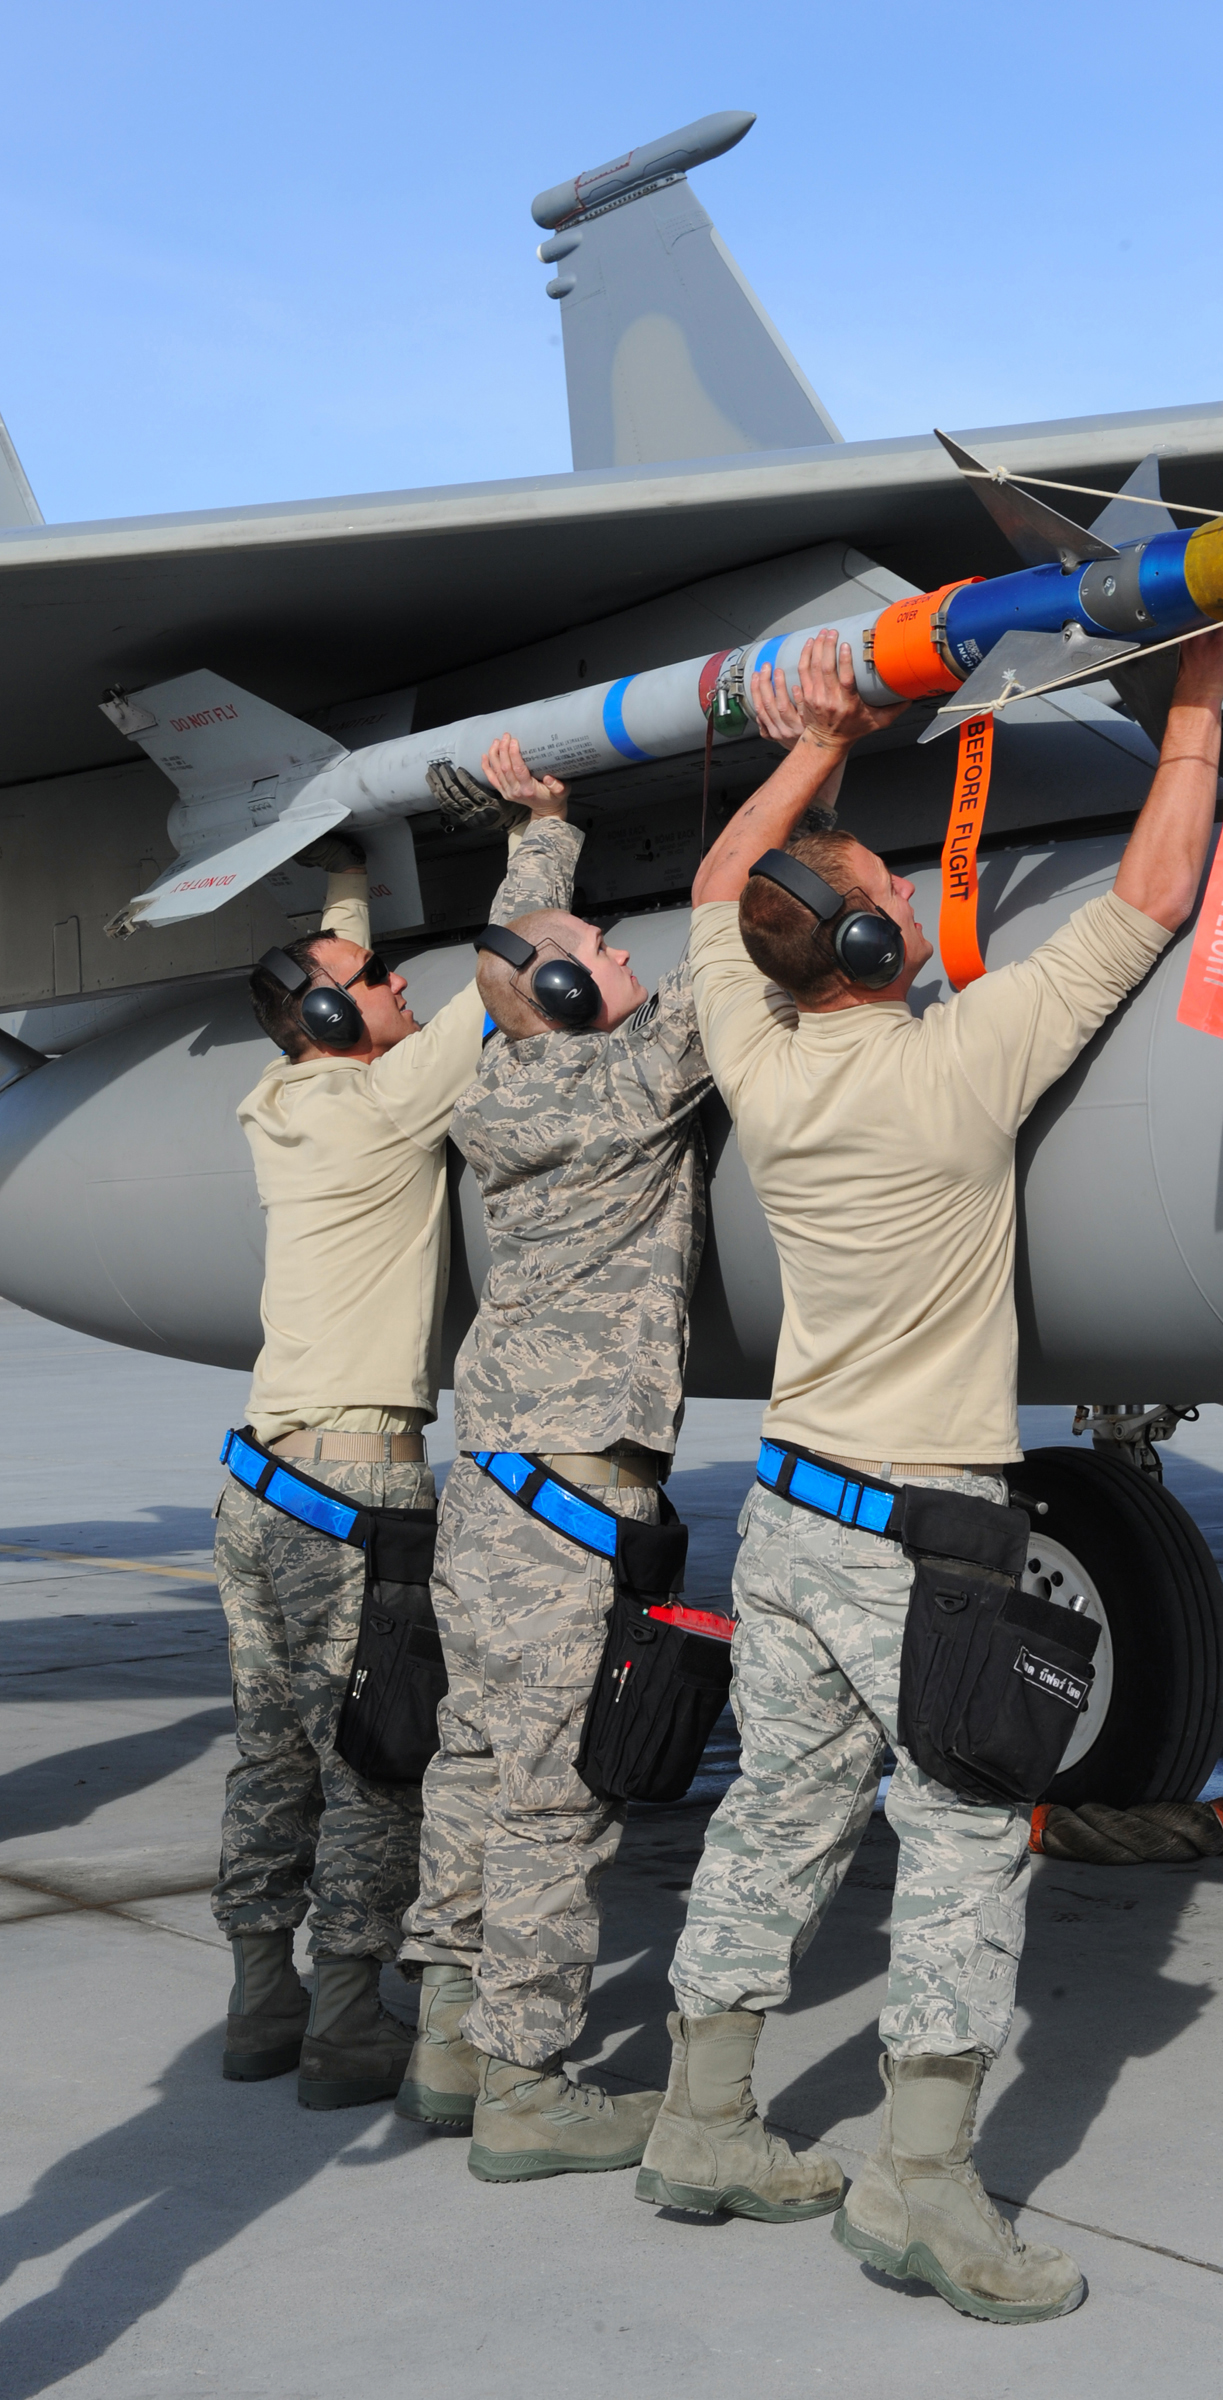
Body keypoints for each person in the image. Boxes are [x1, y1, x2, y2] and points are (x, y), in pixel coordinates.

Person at [636, 623, 1223, 2322]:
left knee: (773, 1823)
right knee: (967, 1849)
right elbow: (1156, 891)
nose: (901, 882)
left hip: (790, 1514)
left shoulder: (760, 1058)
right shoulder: (957, 1073)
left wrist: (813, 745)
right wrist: (1193, 704)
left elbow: (724, 875)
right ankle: (918, 2189)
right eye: (881, 880)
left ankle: (700, 2126)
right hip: (920, 1536)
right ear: (875, 936)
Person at [213, 755, 568, 2109]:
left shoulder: (285, 1104)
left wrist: (348, 857)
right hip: (356, 1481)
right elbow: (503, 973)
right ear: (326, 1014)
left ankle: (261, 2000)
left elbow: (355, 969)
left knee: (272, 1748)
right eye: (373, 988)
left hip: (257, 1480)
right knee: (374, 1754)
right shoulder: (383, 1107)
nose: (395, 985)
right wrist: (540, 832)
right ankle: (349, 2019)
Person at [395, 765, 715, 2186]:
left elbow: (521, 946)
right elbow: (748, 935)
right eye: (602, 953)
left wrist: (542, 834)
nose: (624, 953)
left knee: (472, 1765)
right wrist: (812, 748)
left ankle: (449, 2039)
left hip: (494, 1497)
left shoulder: (511, 1072)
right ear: (575, 1001)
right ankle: (528, 2085)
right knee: (551, 1796)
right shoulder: (632, 1082)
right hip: (577, 1503)